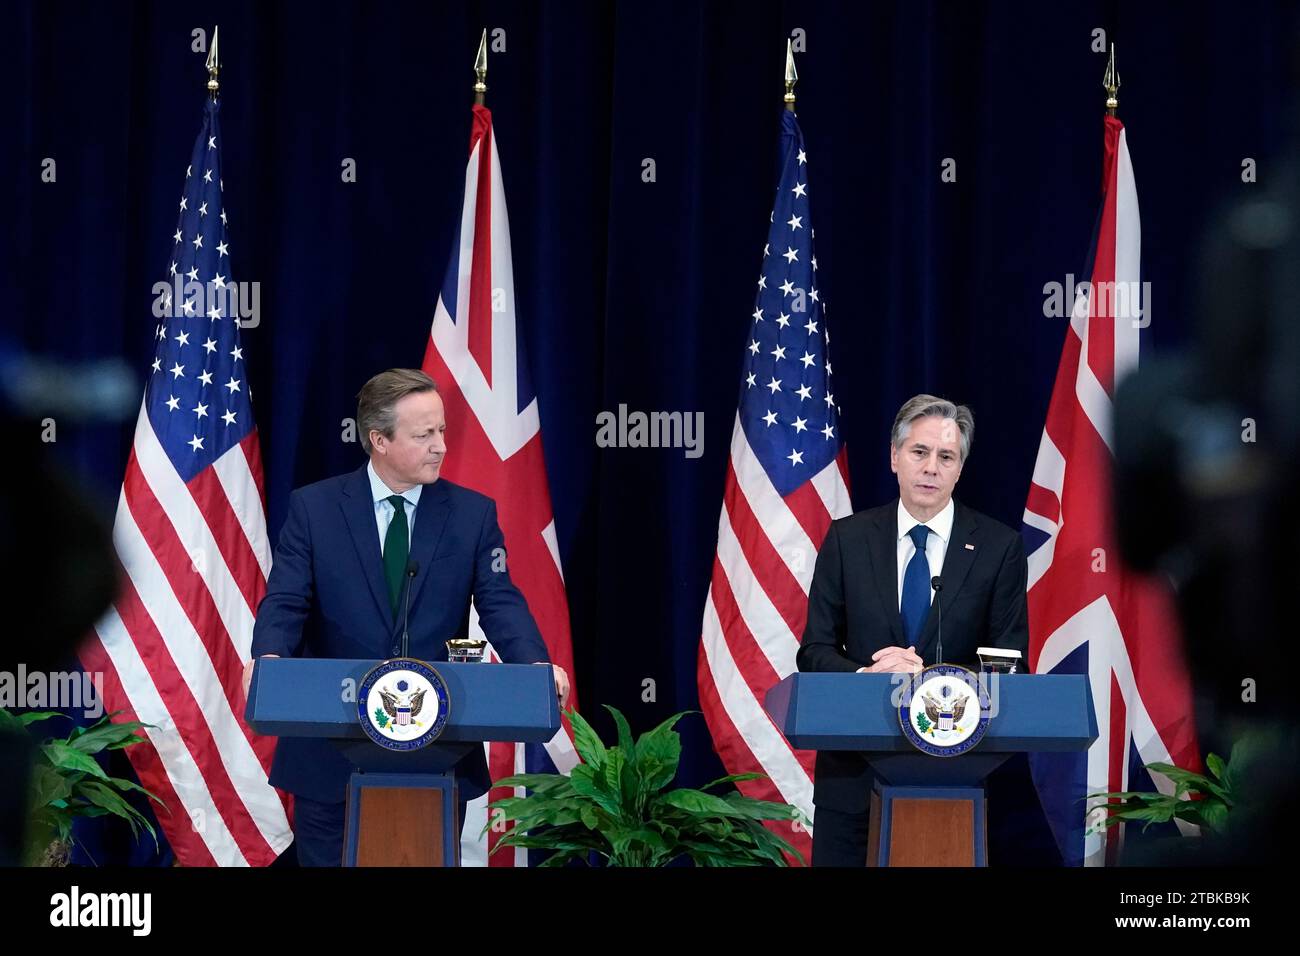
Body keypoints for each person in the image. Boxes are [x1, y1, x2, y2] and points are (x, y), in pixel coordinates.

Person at [244, 368, 569, 866]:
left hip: (437, 752)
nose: (440, 445)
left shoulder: (471, 515)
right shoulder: (316, 509)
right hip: (330, 754)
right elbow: (286, 600)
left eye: (441, 430)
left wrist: (534, 666)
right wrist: (268, 657)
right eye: (424, 435)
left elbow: (500, 600)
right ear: (379, 440)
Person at [796, 394, 1029, 866]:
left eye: (946, 457)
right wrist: (869, 673)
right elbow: (814, 651)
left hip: (954, 780)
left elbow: (1008, 663)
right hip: (851, 780)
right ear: (894, 457)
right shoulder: (847, 539)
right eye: (919, 453)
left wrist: (932, 682)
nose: (931, 468)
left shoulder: (998, 548)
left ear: (960, 468)